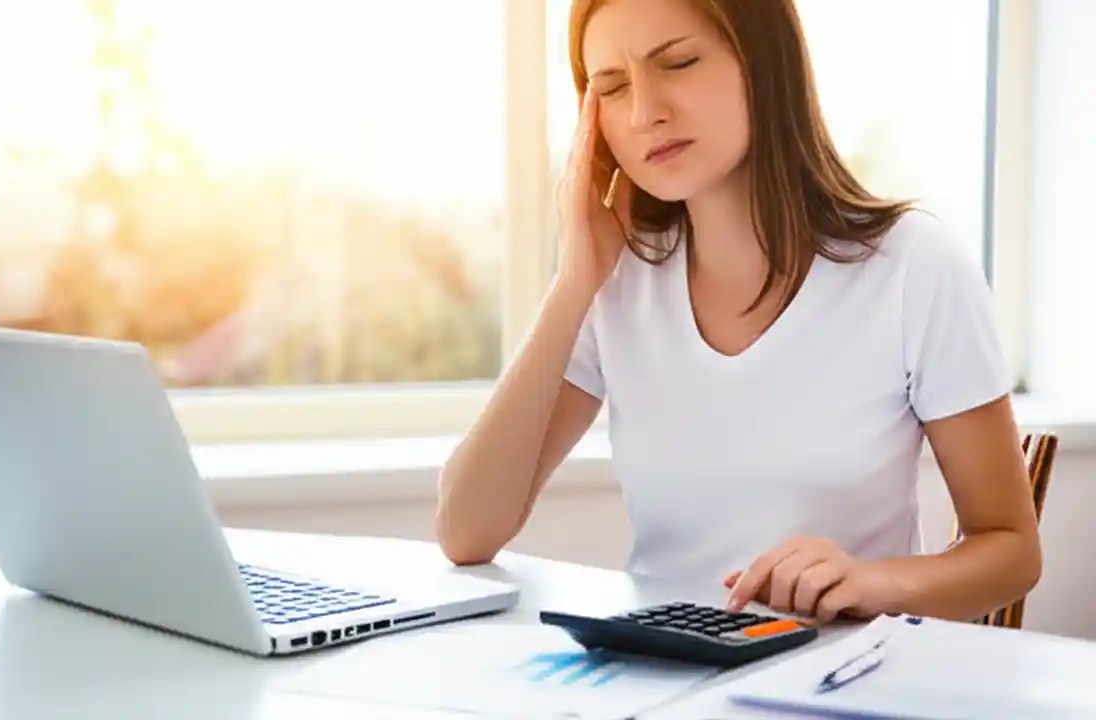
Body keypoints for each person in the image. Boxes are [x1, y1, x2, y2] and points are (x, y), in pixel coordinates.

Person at [435, 0, 1041, 624]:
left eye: (680, 62)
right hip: (660, 678)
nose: (646, 113)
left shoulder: (913, 265)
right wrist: (574, 282)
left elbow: (1011, 551)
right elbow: (466, 532)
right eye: (611, 87)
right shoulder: (616, 283)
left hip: (841, 683)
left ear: (764, 63)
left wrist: (869, 583)